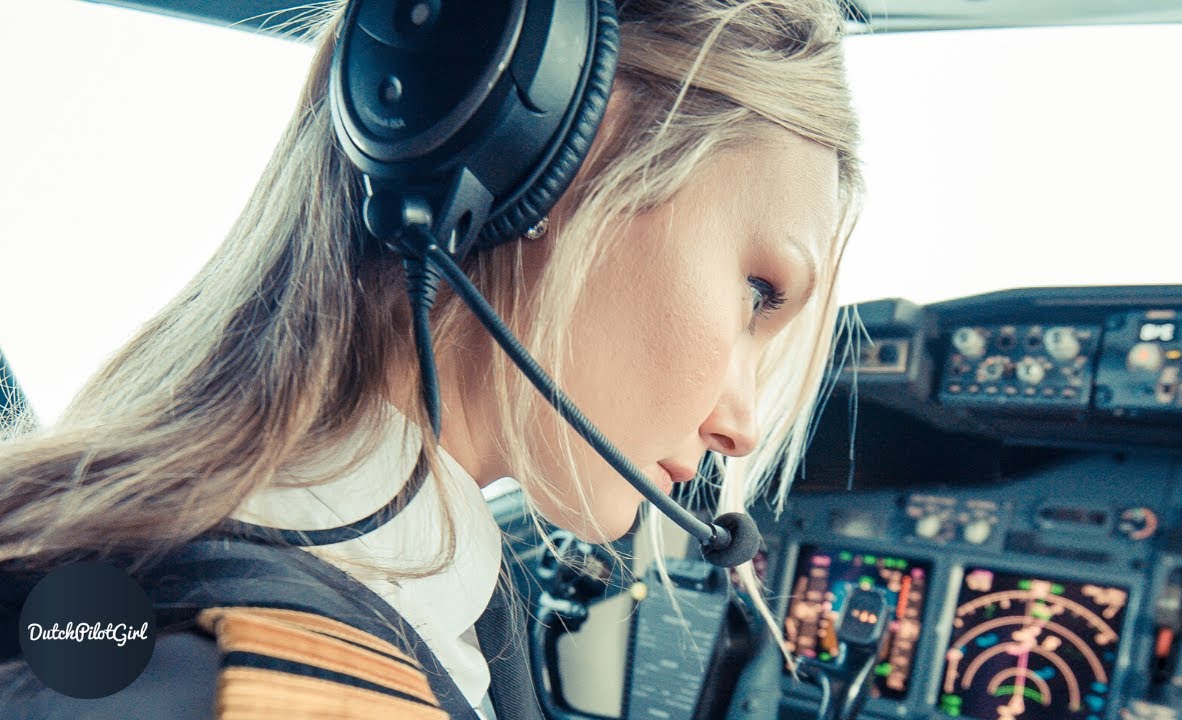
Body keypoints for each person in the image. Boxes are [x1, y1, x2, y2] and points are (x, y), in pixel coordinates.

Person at [0, 0, 862, 717]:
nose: (742, 426)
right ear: (549, 139)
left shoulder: (431, 589)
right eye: (759, 294)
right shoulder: (278, 677)